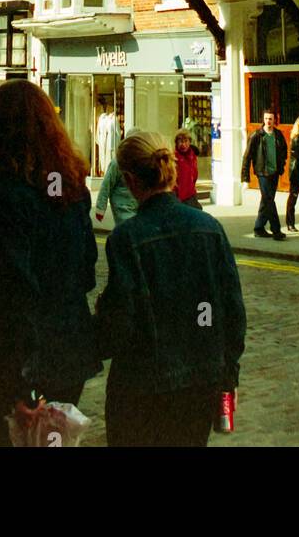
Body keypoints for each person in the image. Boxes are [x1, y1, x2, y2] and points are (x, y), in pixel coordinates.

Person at [0, 80, 102, 447]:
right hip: (69, 348)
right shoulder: (73, 187)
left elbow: (17, 287)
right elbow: (87, 269)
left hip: (17, 356)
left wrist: (22, 384)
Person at [95, 132, 246, 447]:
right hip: (201, 382)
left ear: (129, 179)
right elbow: (233, 312)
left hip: (142, 386)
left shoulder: (126, 238)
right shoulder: (210, 228)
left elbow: (120, 323)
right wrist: (227, 374)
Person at [240, 109, 287, 241]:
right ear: (263, 119)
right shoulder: (257, 135)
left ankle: (259, 228)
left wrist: (281, 166)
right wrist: (245, 177)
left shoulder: (278, 134)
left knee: (266, 200)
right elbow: (247, 156)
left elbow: (283, 151)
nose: (268, 121)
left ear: (274, 120)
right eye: (266, 118)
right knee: (269, 200)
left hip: (274, 173)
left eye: (270, 119)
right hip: (262, 172)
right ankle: (276, 230)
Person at [95, 126, 142, 227]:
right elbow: (106, 185)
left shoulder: (143, 162)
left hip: (138, 206)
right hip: (122, 206)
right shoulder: (117, 162)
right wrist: (100, 208)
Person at [173, 129, 202, 208]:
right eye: (181, 141)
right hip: (178, 197)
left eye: (186, 141)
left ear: (189, 142)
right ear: (176, 142)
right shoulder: (173, 157)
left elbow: (194, 175)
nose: (183, 144)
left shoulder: (193, 156)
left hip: (191, 195)